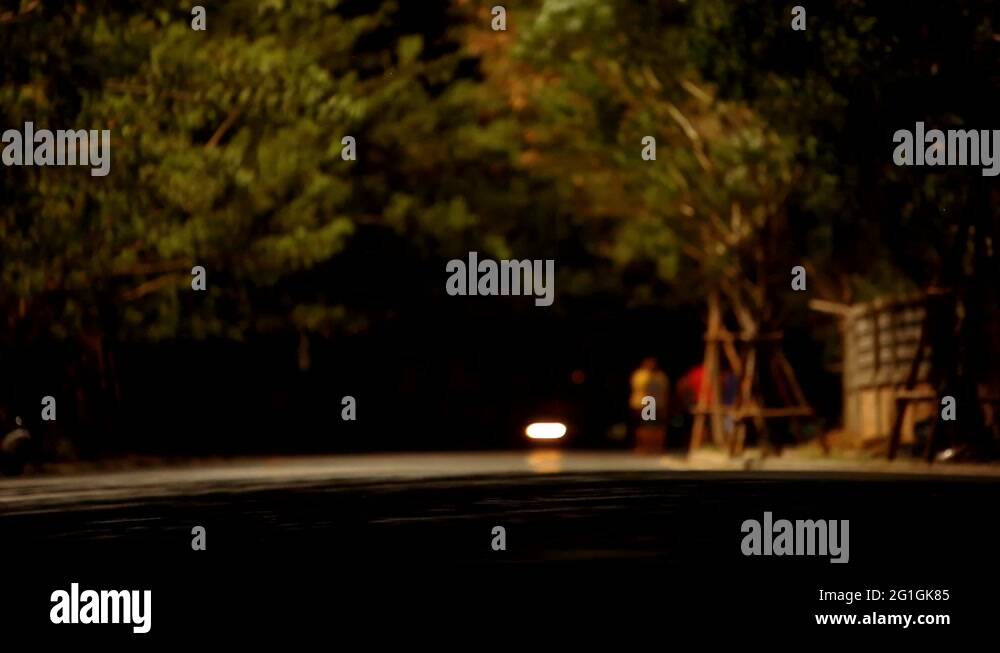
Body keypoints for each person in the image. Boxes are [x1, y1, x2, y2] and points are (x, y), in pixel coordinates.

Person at [630, 357, 669, 453]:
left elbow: (665, 390)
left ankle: (656, 447)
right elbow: (640, 387)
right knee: (645, 426)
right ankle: (644, 447)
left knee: (657, 427)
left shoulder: (660, 376)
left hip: (658, 404)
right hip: (645, 403)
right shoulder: (640, 375)